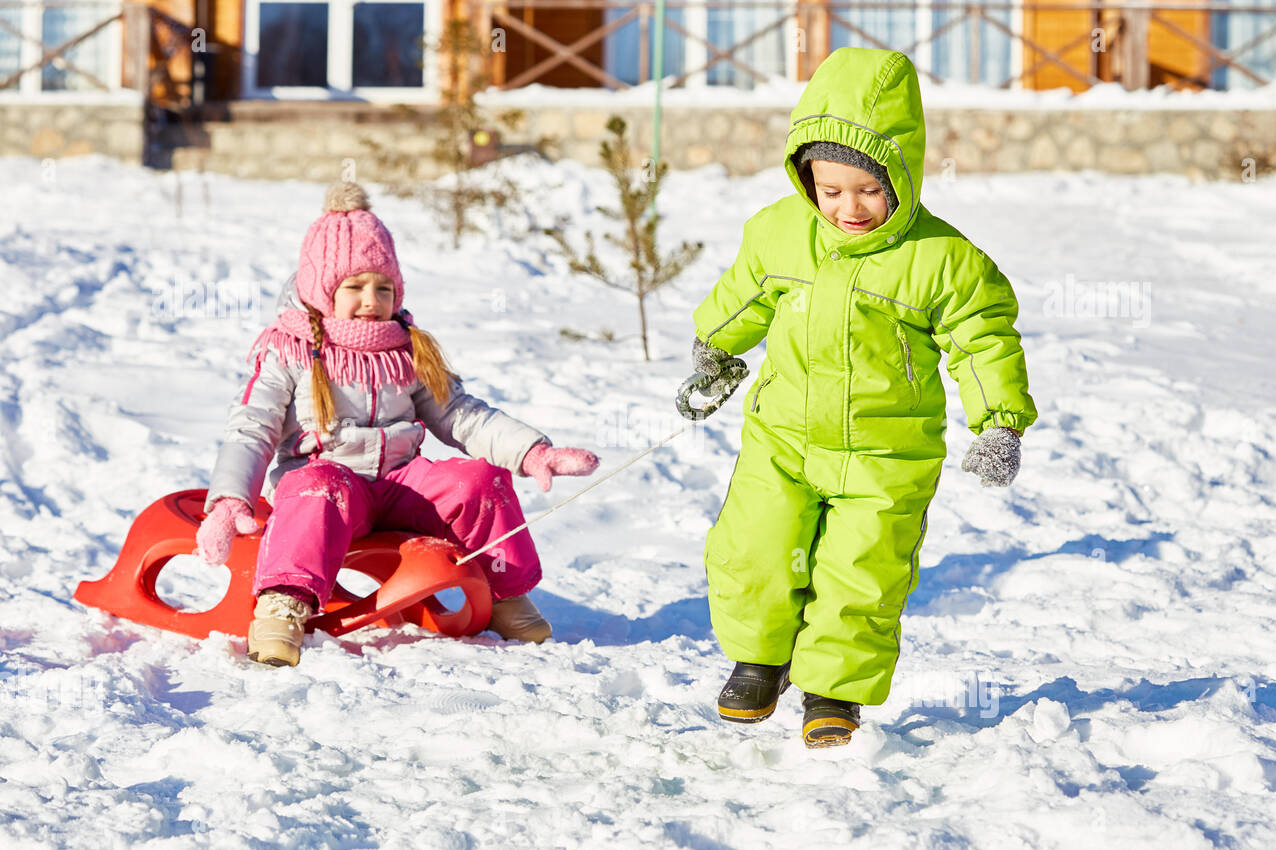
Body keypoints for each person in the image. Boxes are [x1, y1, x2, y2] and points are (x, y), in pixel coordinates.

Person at [684, 48, 1037, 748]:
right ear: (805, 177)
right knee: (752, 548)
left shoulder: (945, 261)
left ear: (901, 174)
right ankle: (759, 658)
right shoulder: (778, 231)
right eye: (831, 190)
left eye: (868, 191)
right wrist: (715, 351)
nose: (849, 208)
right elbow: (743, 297)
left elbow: (982, 341)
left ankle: (833, 691)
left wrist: (999, 424)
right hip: (782, 438)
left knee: (861, 572)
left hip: (886, 455)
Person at [197, 183, 599, 666]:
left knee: (479, 481)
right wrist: (228, 501)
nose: (372, 300)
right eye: (354, 287)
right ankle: (283, 603)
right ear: (322, 290)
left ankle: (504, 592)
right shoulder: (290, 348)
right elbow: (252, 428)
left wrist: (532, 452)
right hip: (331, 488)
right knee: (315, 485)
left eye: (383, 288)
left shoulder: (407, 348)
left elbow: (460, 413)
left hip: (401, 483)